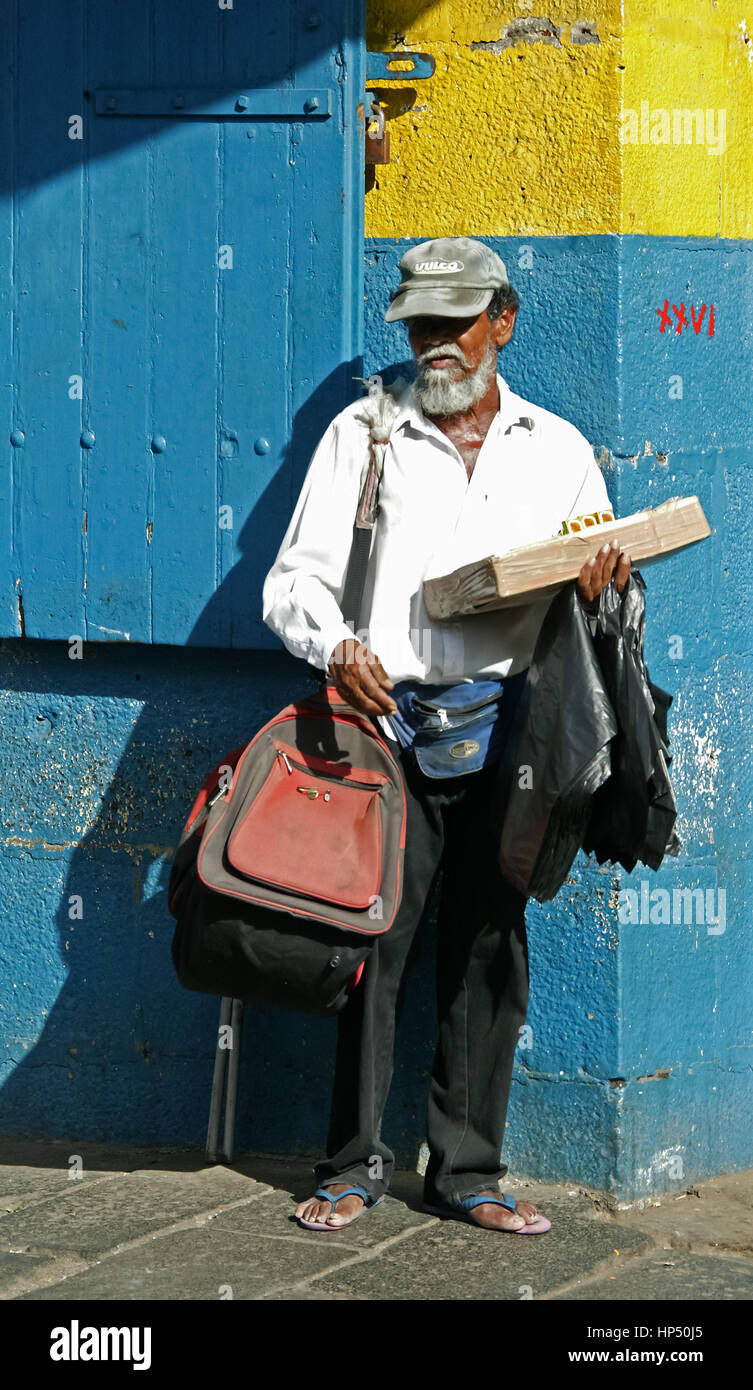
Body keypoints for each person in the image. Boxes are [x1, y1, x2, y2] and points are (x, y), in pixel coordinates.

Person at [262, 237, 631, 1234]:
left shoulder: (555, 449)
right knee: (366, 939)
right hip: (384, 727)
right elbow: (291, 581)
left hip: (511, 729)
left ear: (501, 323)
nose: (434, 345)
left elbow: (598, 578)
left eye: (453, 324)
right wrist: (337, 645)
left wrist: (607, 585)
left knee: (488, 944)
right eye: (419, 325)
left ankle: (468, 1169)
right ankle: (348, 1162)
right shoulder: (365, 434)